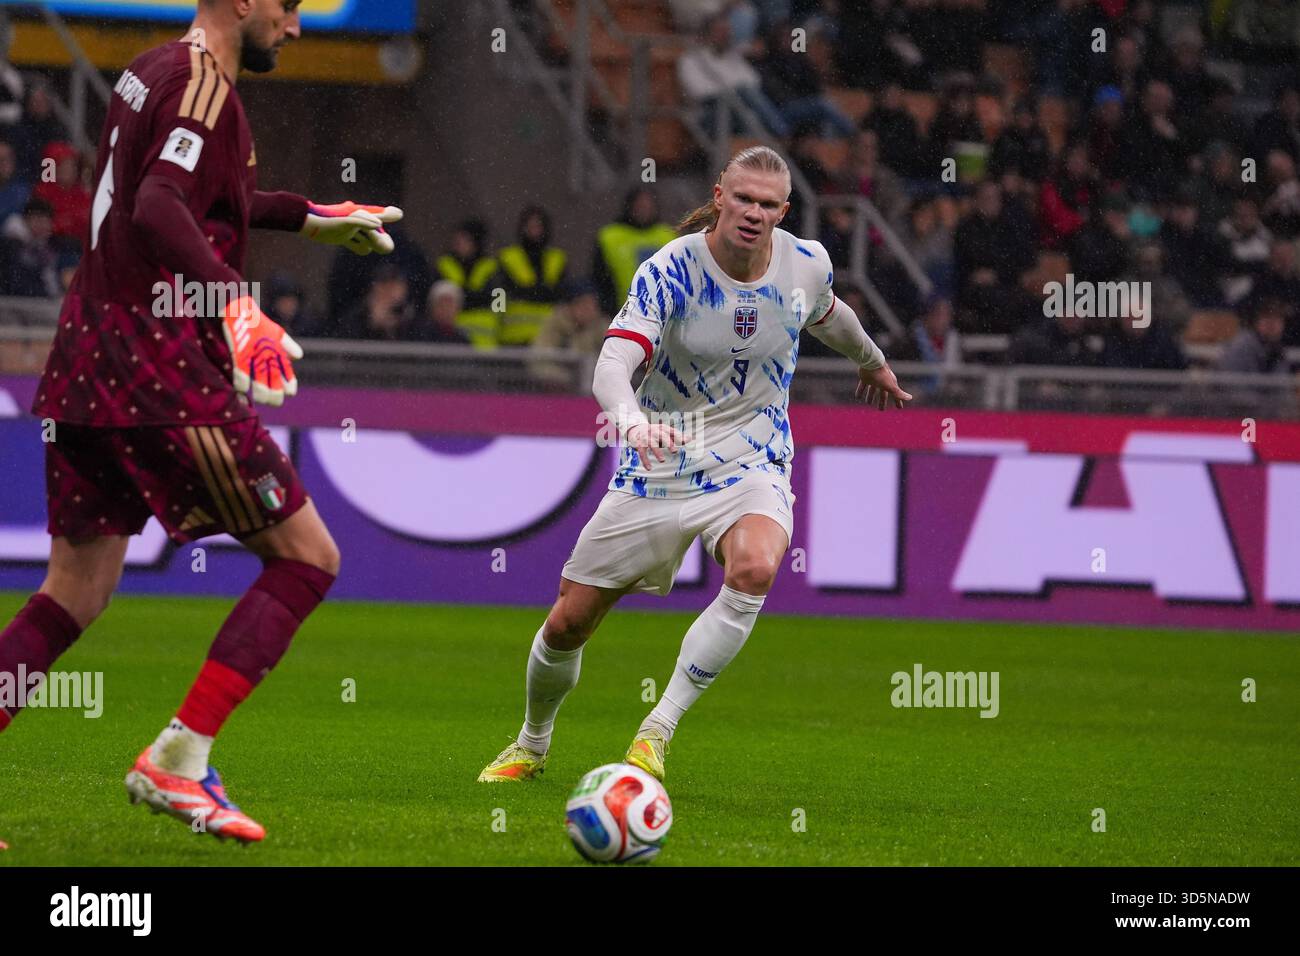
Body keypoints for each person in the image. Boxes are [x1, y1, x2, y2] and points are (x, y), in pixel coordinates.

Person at [0, 0, 404, 845]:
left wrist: (319, 218)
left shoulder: (152, 70)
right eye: (289, 8)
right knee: (306, 558)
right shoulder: (201, 85)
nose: (295, 28)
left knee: (74, 588)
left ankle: (179, 758)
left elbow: (213, 198)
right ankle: (178, 760)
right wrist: (236, 307)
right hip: (156, 368)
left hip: (87, 357)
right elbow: (157, 207)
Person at [477, 145, 911, 784]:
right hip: (662, 459)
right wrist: (631, 423)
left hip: (752, 457)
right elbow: (612, 365)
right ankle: (531, 744)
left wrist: (871, 359)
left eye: (768, 205)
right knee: (569, 621)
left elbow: (830, 316)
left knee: (757, 566)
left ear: (783, 210)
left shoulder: (805, 263)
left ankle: (657, 730)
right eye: (743, 199)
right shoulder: (668, 271)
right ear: (719, 196)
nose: (754, 214)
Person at [592, 187, 677, 319]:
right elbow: (598, 277)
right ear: (629, 206)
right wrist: (607, 308)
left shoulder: (667, 235)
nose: (644, 210)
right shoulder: (610, 236)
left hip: (662, 315)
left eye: (648, 206)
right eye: (640, 205)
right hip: (619, 314)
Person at [497, 205, 566, 347]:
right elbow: (498, 296)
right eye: (530, 226)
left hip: (548, 337)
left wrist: (526, 292)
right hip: (514, 338)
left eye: (538, 226)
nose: (534, 231)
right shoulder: (507, 258)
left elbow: (563, 294)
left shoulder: (557, 259)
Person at [528, 279, 606, 390]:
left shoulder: (601, 325)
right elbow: (539, 362)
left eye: (594, 304)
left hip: (594, 391)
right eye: (584, 304)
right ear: (571, 306)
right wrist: (570, 379)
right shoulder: (554, 325)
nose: (591, 309)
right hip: (558, 394)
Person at [434, 218, 499, 349]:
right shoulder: (444, 265)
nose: (459, 244)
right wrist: (479, 298)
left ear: (476, 243)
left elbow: (499, 302)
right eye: (457, 240)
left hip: (486, 344)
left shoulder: (491, 267)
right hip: (454, 342)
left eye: (464, 240)